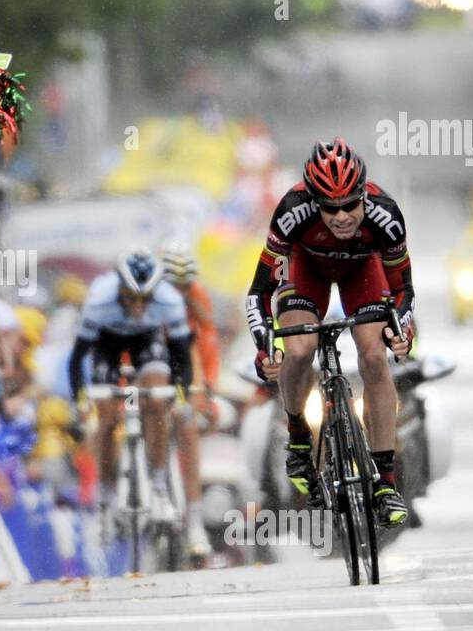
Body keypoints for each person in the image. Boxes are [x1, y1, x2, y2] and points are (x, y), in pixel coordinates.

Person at [244, 138, 414, 527]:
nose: (341, 217)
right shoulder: (291, 210)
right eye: (330, 208)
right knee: (300, 350)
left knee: (373, 356)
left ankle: (386, 483)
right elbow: (258, 292)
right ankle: (299, 437)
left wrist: (401, 331)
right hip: (307, 269)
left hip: (361, 270)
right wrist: (264, 347)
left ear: (363, 196)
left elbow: (403, 290)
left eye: (350, 205)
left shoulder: (386, 214)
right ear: (314, 201)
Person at [68, 249, 195, 528]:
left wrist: (181, 395)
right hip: (107, 343)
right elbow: (77, 358)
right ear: (119, 289)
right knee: (108, 416)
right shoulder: (98, 300)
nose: (138, 307)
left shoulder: (170, 301)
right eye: (130, 298)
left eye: (145, 299)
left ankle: (160, 486)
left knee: (157, 401)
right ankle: (106, 491)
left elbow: (182, 356)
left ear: (155, 293)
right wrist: (80, 399)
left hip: (146, 341)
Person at [160, 244, 222, 557]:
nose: (181, 293)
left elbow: (207, 341)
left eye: (186, 286)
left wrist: (207, 388)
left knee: (186, 423)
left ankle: (194, 520)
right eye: (175, 287)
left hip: (184, 355)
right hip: (153, 352)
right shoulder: (149, 296)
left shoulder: (196, 294)